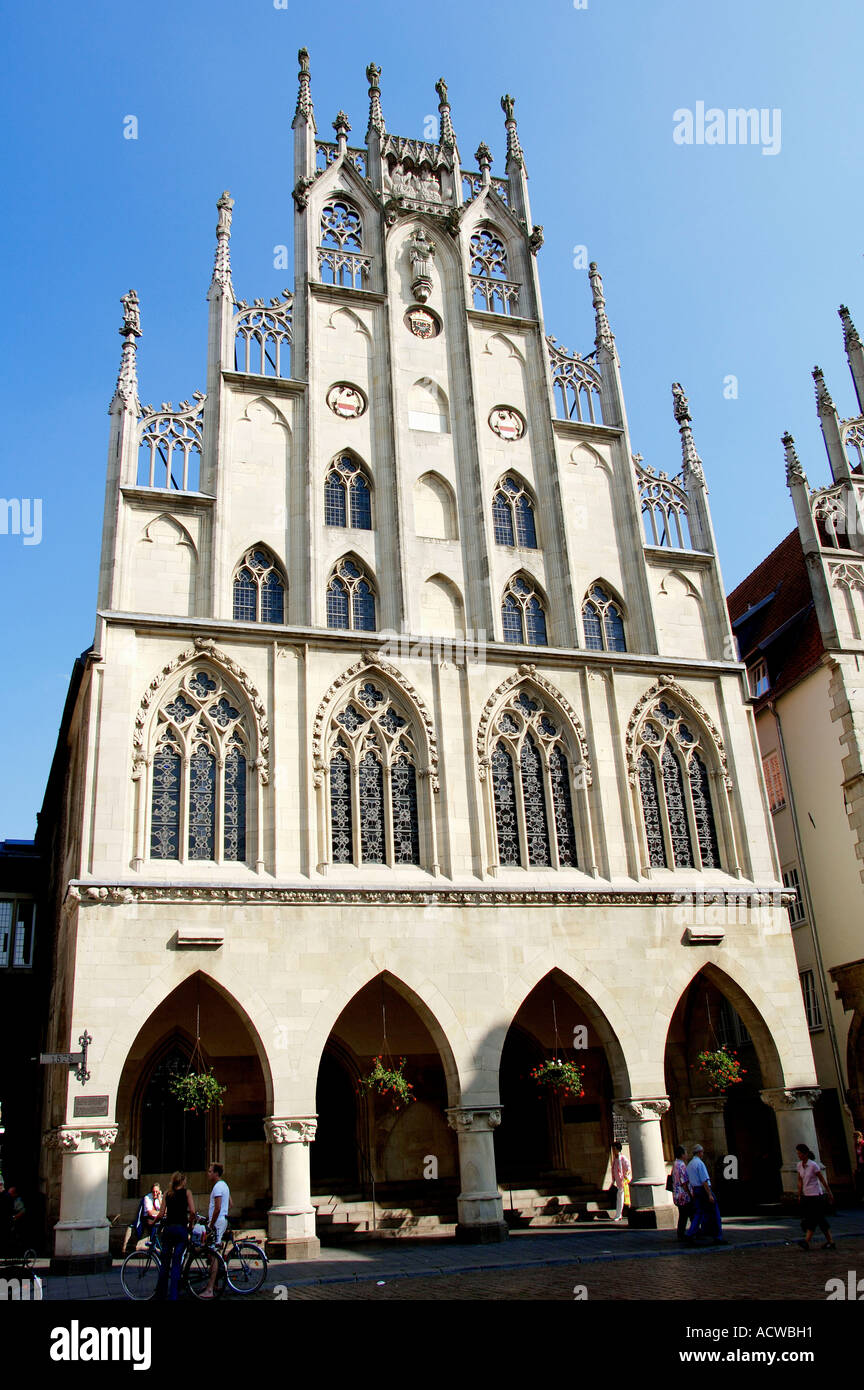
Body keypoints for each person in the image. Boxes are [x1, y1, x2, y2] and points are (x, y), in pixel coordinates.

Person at [154, 1172, 195, 1301]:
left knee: (165, 1264)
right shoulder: (187, 1193)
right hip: (181, 1229)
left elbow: (161, 1214)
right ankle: (173, 1296)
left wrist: (153, 1222)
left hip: (169, 1229)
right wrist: (190, 1223)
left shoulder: (167, 1193)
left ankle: (160, 1294)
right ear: (183, 1182)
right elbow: (193, 1211)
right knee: (176, 1262)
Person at [796, 1144, 835, 1251]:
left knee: (813, 1218)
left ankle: (806, 1241)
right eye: (797, 1153)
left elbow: (822, 1180)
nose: (798, 1155)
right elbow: (800, 1180)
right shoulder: (799, 1165)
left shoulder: (813, 1165)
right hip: (807, 1195)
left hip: (816, 1196)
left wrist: (829, 1193)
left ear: (805, 1154)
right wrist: (799, 1194)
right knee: (820, 1219)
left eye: (800, 1153)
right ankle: (831, 1242)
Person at [201, 1163, 231, 1298]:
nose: (208, 1173)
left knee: (212, 1255)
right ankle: (215, 1283)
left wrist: (211, 1224)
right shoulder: (224, 1185)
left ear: (216, 1173)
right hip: (222, 1220)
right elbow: (230, 1203)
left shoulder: (218, 1187)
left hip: (217, 1222)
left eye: (210, 1171)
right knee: (213, 1252)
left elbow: (218, 1207)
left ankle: (210, 1289)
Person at [686, 1144, 726, 1244]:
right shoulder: (700, 1164)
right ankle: (718, 1236)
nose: (703, 1154)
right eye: (702, 1152)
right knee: (715, 1212)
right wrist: (709, 1194)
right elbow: (704, 1180)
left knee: (698, 1213)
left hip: (696, 1189)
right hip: (703, 1189)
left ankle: (690, 1233)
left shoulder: (690, 1164)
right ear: (699, 1153)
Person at [122, 1182, 163, 1254]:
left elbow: (165, 1210)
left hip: (158, 1218)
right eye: (153, 1192)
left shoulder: (160, 1198)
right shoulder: (147, 1198)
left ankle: (161, 1246)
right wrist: (160, 1213)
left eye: (157, 1192)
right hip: (147, 1218)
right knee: (154, 1225)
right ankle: (154, 1246)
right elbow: (150, 1212)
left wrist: (160, 1200)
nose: (155, 1193)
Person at [671, 1144, 693, 1241]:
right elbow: (684, 1182)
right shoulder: (681, 1165)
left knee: (683, 1215)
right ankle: (686, 1232)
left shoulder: (675, 1164)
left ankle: (681, 1233)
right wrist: (690, 1193)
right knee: (686, 1214)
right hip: (683, 1194)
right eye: (686, 1152)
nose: (687, 1154)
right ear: (682, 1154)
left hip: (676, 1193)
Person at [610, 1141, 631, 1223]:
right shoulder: (615, 1159)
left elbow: (628, 1167)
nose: (613, 1150)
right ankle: (619, 1214)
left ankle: (619, 1215)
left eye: (614, 1148)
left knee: (622, 1198)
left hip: (623, 1182)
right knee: (621, 1198)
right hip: (618, 1183)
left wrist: (626, 1174)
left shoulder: (622, 1158)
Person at [853, 1130, 864, 1204]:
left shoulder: (863, 1144)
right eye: (854, 1138)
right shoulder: (856, 1145)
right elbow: (857, 1156)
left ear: (860, 1137)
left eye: (857, 1137)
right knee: (861, 1180)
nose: (855, 1139)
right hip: (861, 1164)